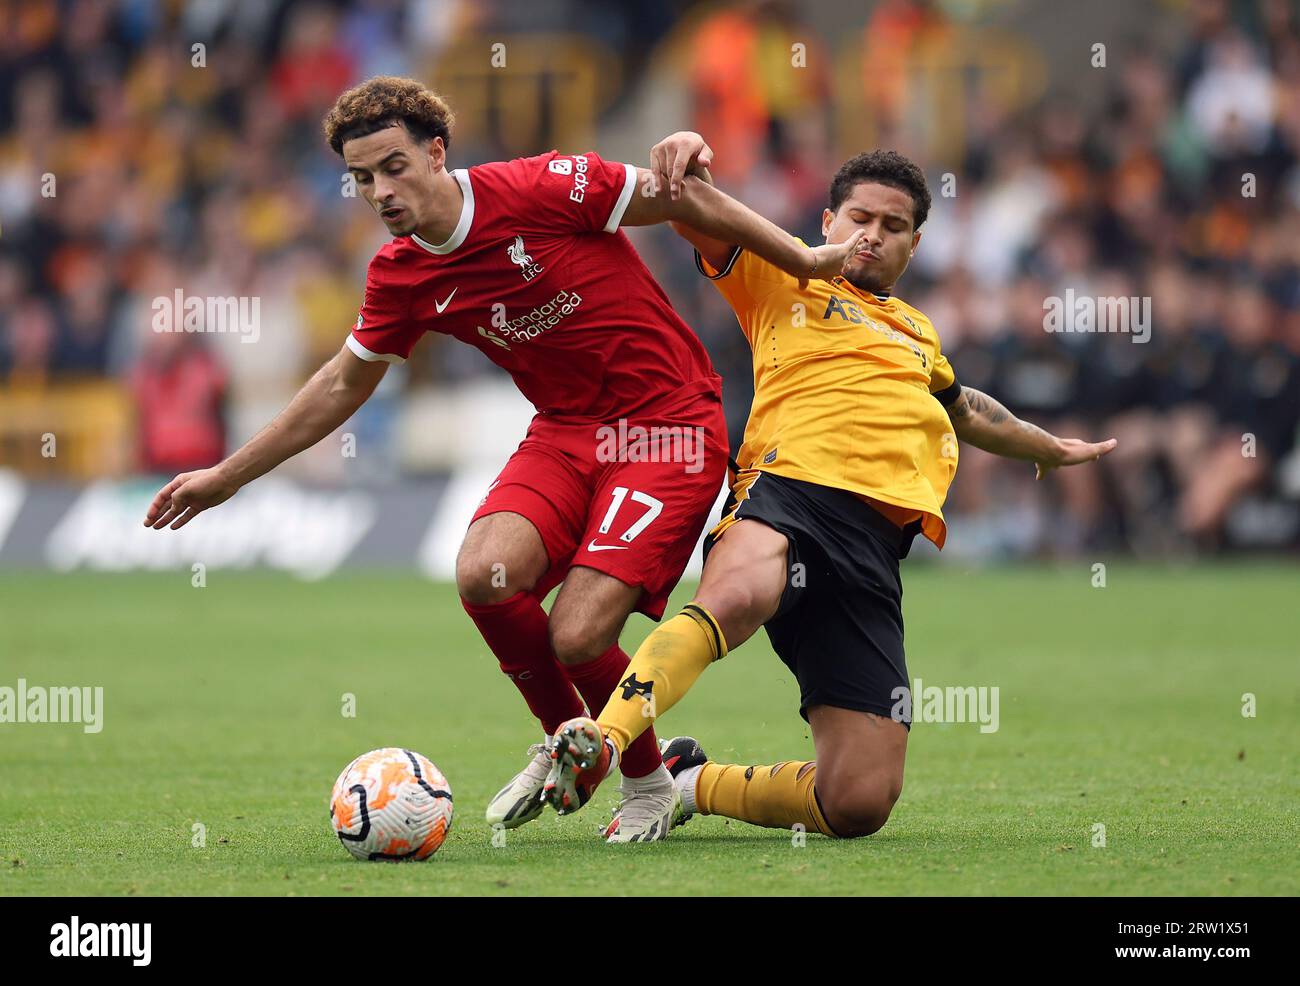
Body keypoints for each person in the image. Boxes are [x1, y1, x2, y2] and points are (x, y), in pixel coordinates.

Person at [141, 79, 867, 843]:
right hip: (565, 430)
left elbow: (679, 198)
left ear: (435, 152)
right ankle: (577, 748)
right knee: (482, 575)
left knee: (579, 634)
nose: (379, 191)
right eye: (361, 179)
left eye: (392, 167)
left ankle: (650, 783)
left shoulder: (539, 185)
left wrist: (805, 259)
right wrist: (228, 476)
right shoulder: (399, 273)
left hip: (667, 425)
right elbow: (343, 381)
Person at [541, 133, 1117, 840]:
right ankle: (604, 740)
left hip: (873, 547)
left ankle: (691, 780)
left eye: (893, 226)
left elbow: (966, 411)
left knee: (858, 802)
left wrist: (1049, 448)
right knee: (734, 597)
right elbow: (688, 209)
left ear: (915, 244)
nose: (872, 235)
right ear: (827, 223)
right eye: (859, 218)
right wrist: (685, 152)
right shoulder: (783, 272)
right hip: (788, 489)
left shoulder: (918, 334)